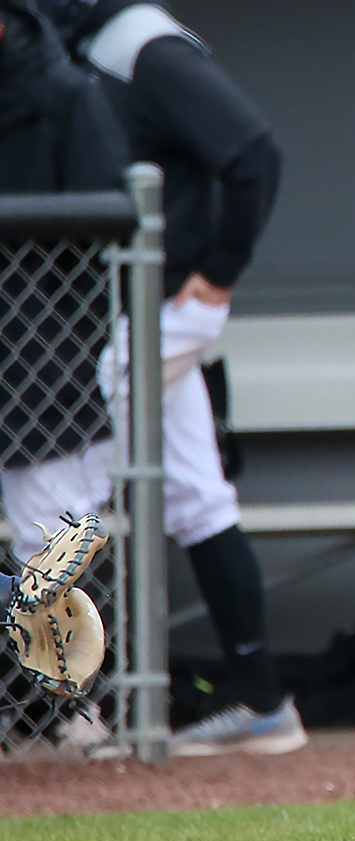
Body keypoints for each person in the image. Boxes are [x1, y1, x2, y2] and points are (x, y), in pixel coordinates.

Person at [20, 0, 301, 756]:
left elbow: (255, 153)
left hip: (155, 310)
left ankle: (75, 717)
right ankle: (260, 702)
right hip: (120, 312)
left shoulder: (137, 40)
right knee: (192, 492)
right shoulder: (62, 43)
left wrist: (216, 280)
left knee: (54, 491)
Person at [0, 0, 127, 751]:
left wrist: (51, 327)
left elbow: (103, 231)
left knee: (52, 533)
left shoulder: (61, 90)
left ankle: (73, 708)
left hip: (36, 355)